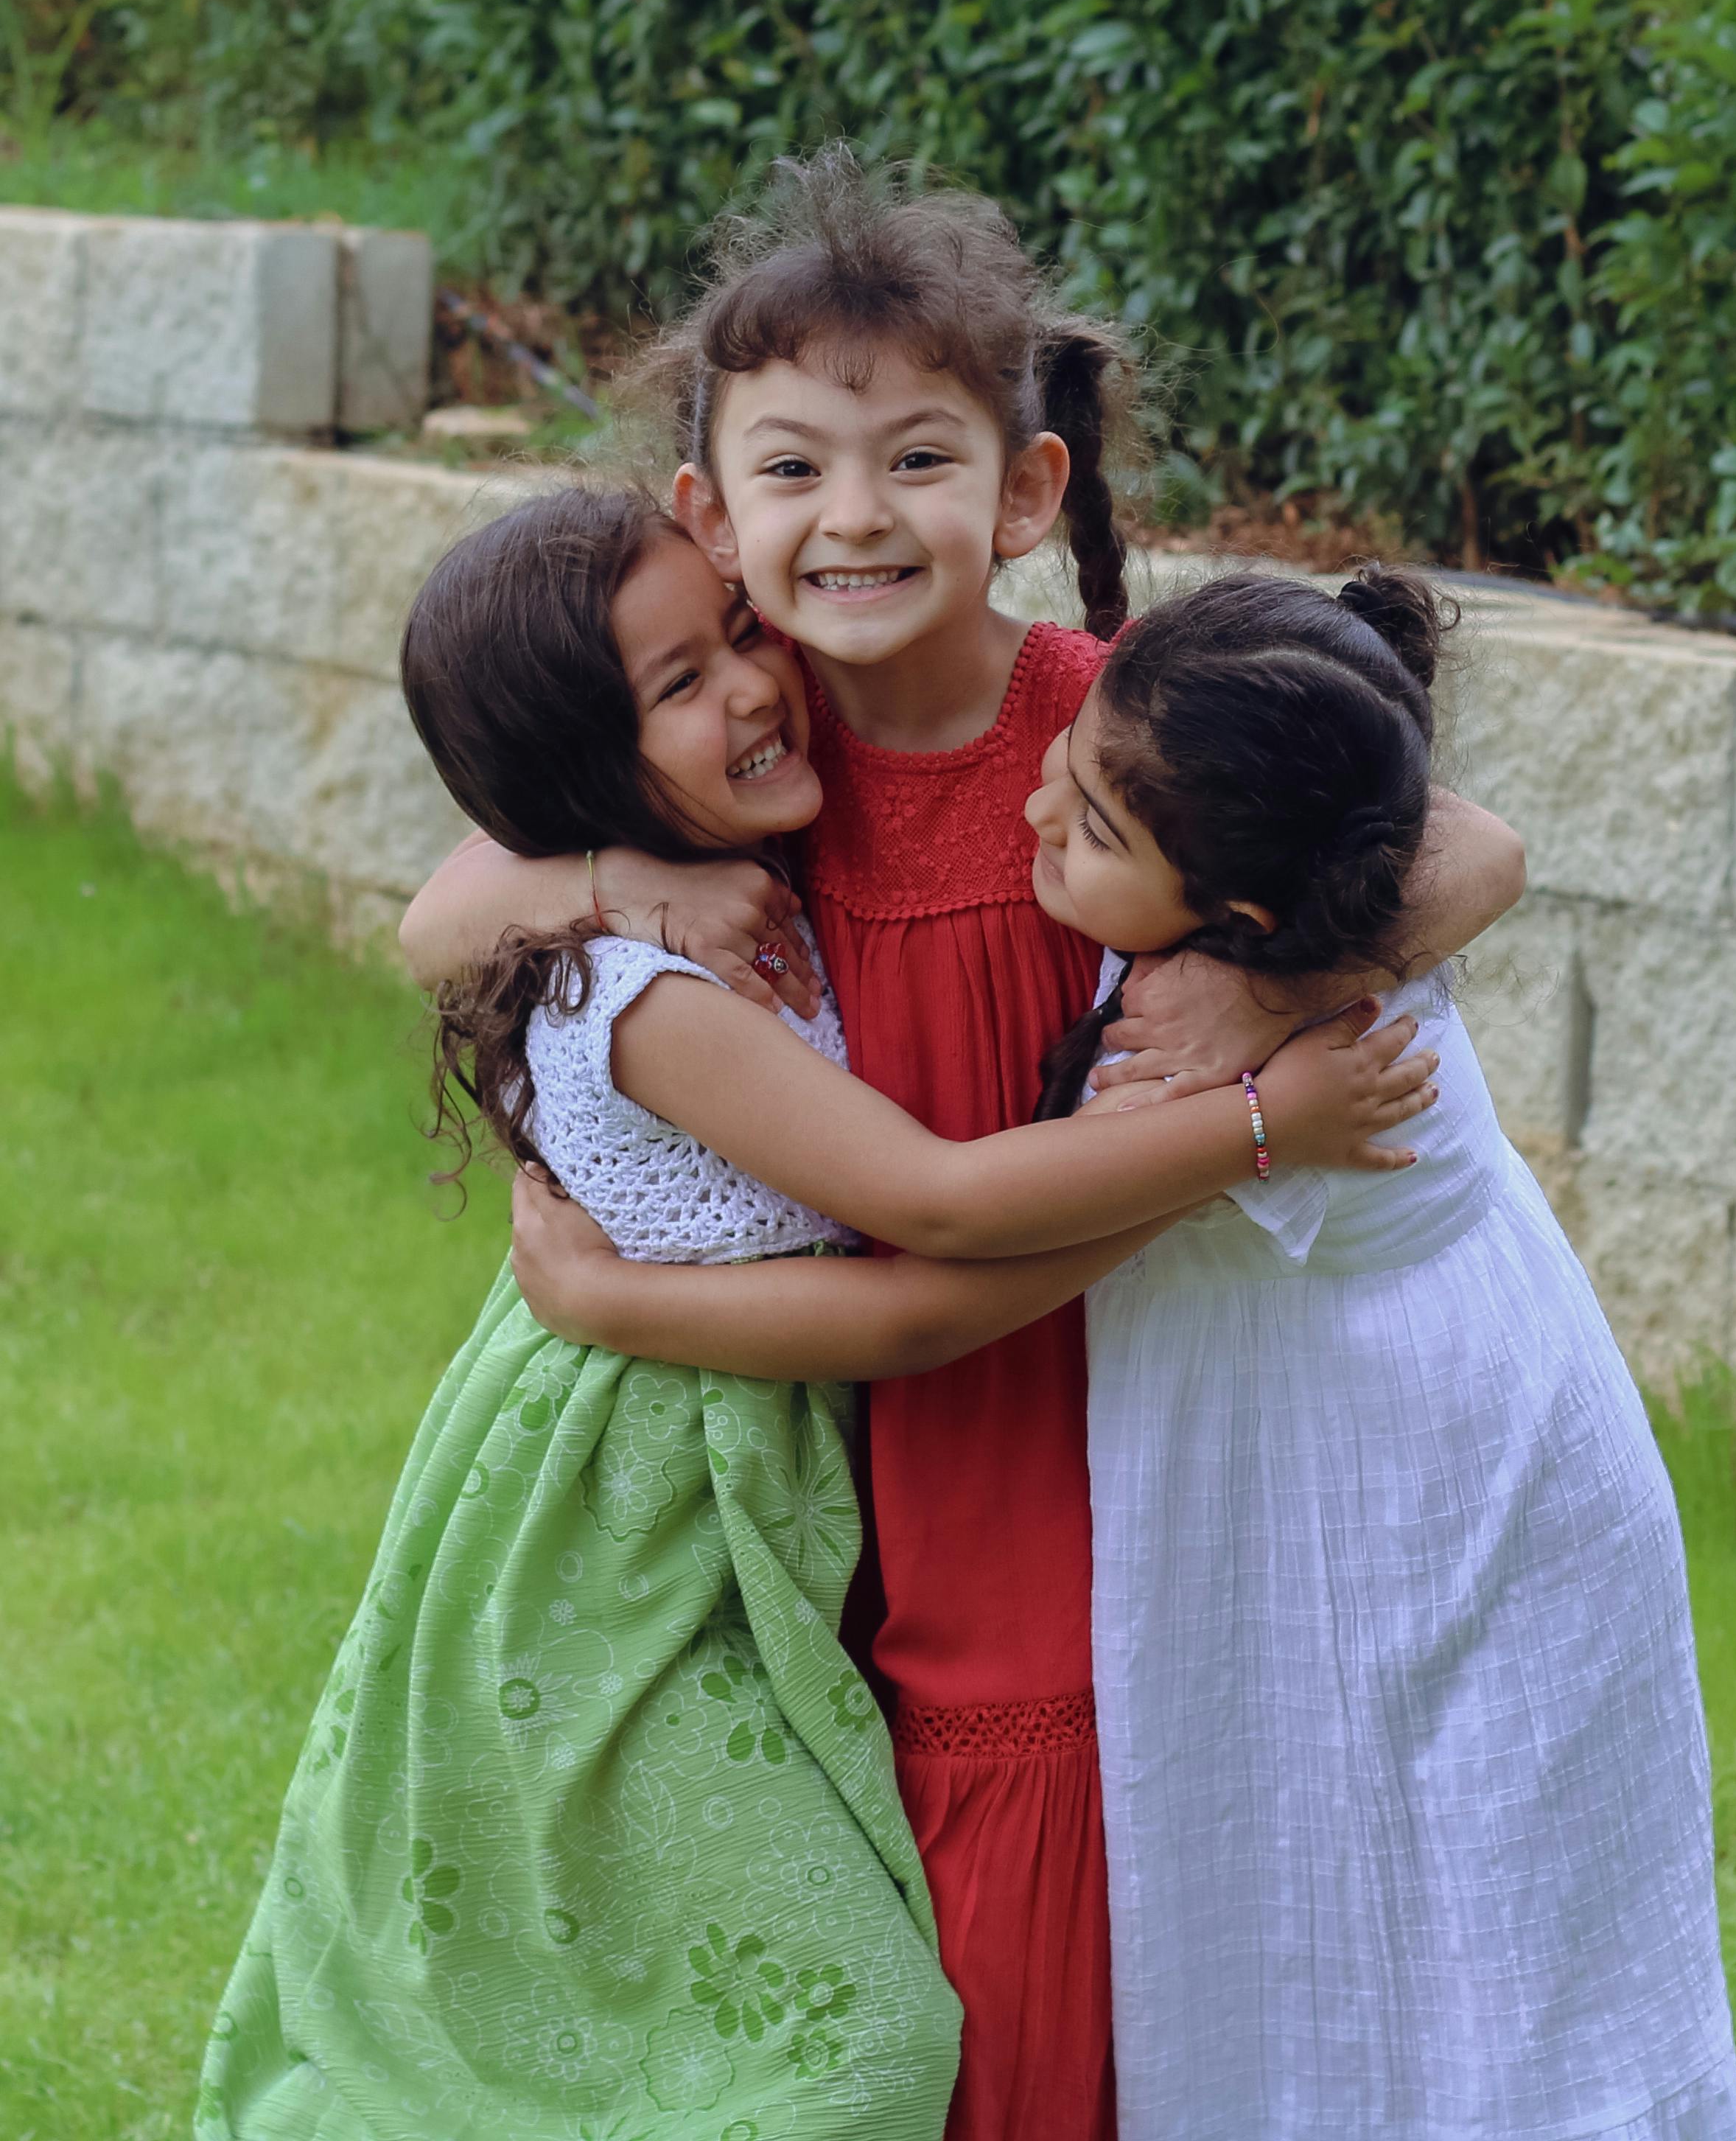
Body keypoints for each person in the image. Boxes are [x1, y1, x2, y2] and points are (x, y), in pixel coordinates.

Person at [400, 151, 1525, 2141]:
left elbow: (1470, 846)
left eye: (916, 458)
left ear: (1023, 492)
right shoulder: (734, 773)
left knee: (1094, 1862)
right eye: (793, 471)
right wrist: (595, 875)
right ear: (708, 514)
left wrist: (1261, 999)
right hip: (883, 1414)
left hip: (1103, 1388)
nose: (851, 519)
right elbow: (433, 922)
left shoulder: (1105, 720)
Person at [201, 483, 1436, 2140]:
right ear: (576, 767)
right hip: (637, 1523)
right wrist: (1255, 1131)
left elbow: (1468, 839)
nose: (751, 679)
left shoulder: (763, 810)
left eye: (730, 633)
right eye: (680, 681)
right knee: (812, 2043)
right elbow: (922, 1231)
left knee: (704, 2007)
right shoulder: (642, 987)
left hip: (742, 1476)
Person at [1034, 567, 1736, 2141]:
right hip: (1264, 1467)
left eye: (1086, 823)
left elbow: (1480, 840)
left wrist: (1264, 1008)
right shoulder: (1218, 794)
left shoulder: (1213, 1012)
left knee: (1523, 1955)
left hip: (1478, 1480)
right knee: (1277, 1937)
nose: (1038, 809)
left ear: (1244, 905)